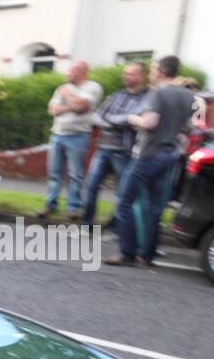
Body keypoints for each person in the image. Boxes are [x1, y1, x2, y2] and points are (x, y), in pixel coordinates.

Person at [105, 55, 193, 268]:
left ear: (162, 72)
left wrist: (132, 119)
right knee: (155, 209)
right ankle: (148, 256)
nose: (151, 74)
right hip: (169, 155)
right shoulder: (189, 95)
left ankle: (127, 253)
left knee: (124, 204)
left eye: (153, 70)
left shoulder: (159, 93)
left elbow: (150, 122)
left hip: (147, 155)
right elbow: (189, 128)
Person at [82, 61, 150, 229]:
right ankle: (87, 226)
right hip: (103, 149)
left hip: (124, 152)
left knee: (123, 193)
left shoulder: (147, 98)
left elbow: (132, 117)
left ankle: (115, 227)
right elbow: (96, 116)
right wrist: (118, 120)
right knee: (91, 187)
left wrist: (111, 120)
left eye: (130, 74)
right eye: (125, 73)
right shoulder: (117, 94)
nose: (125, 76)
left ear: (142, 76)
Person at [39, 61, 102, 221]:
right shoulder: (61, 87)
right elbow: (52, 110)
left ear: (82, 72)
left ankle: (73, 207)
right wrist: (72, 104)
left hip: (78, 136)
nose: (68, 74)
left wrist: (66, 97)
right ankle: (50, 204)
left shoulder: (92, 87)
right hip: (57, 135)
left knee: (75, 174)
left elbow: (82, 107)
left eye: (72, 71)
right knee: (54, 173)